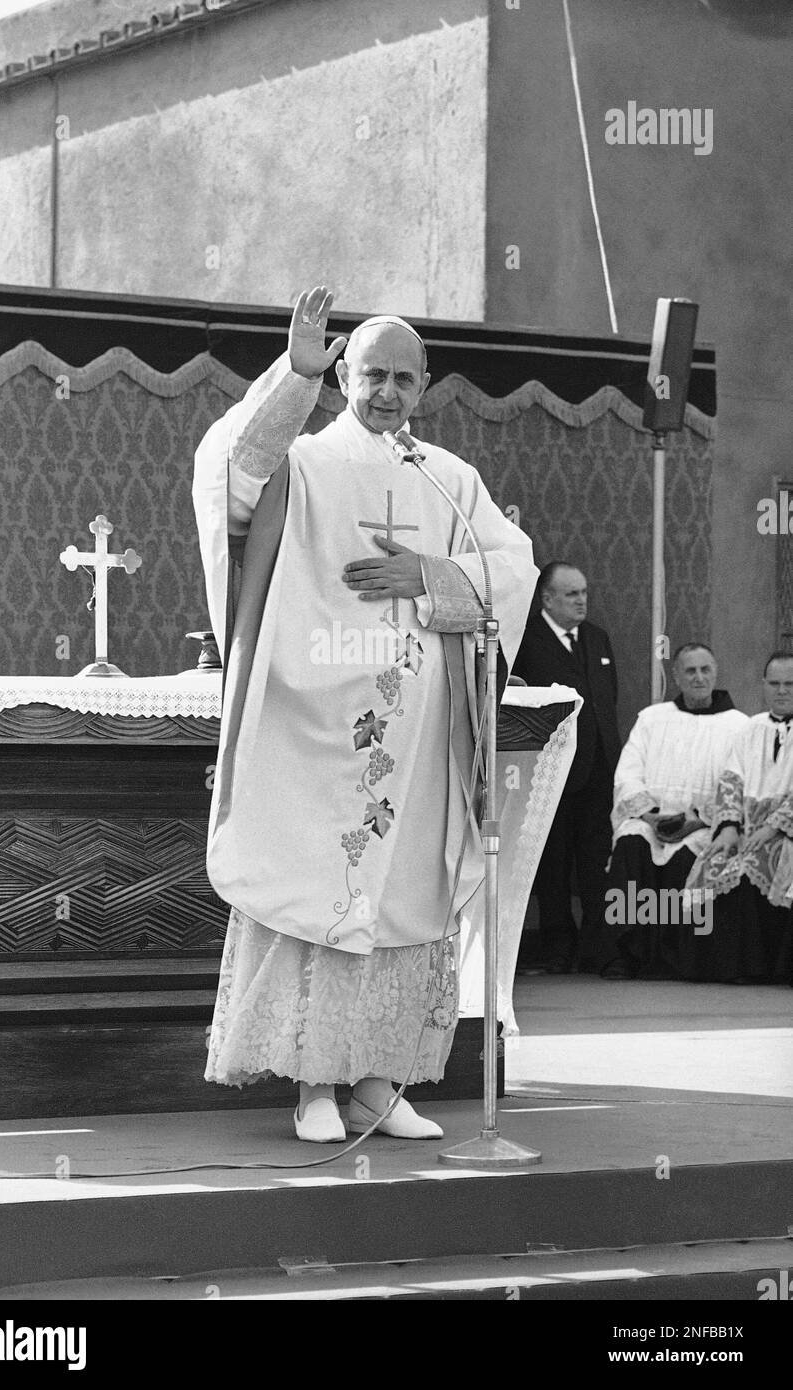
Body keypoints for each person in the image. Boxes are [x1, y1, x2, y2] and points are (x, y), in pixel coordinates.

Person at [193, 285, 538, 1142]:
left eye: (405, 379)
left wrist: (431, 573)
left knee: (403, 899)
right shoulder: (305, 461)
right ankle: (312, 1087)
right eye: (372, 373)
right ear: (345, 373)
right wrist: (293, 375)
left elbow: (515, 568)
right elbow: (233, 477)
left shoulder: (448, 476)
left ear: (426, 386)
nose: (388, 393)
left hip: (420, 733)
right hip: (314, 725)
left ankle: (380, 1086)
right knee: (318, 887)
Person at [601, 643, 748, 978]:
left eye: (705, 670)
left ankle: (677, 958)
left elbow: (739, 782)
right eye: (690, 671)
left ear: (716, 673)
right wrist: (648, 813)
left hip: (702, 824)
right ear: (676, 677)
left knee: (687, 857)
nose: (698, 678)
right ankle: (627, 953)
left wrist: (699, 820)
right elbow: (628, 773)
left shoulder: (739, 726)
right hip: (651, 820)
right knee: (631, 845)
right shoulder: (652, 719)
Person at [511, 562, 621, 973]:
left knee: (596, 863)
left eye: (584, 592)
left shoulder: (597, 638)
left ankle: (598, 947)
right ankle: (557, 946)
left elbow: (608, 702)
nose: (581, 600)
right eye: (572, 593)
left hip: (597, 772)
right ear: (547, 598)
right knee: (552, 864)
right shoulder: (527, 641)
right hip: (549, 772)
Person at [682, 651, 793, 985]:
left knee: (770, 858)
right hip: (747, 826)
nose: (782, 690)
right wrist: (729, 826)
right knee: (716, 861)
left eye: (790, 683)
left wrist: (776, 826)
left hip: (784, 831)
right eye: (774, 683)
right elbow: (731, 780)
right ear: (762, 685)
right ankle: (733, 967)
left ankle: (771, 968)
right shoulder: (750, 728)